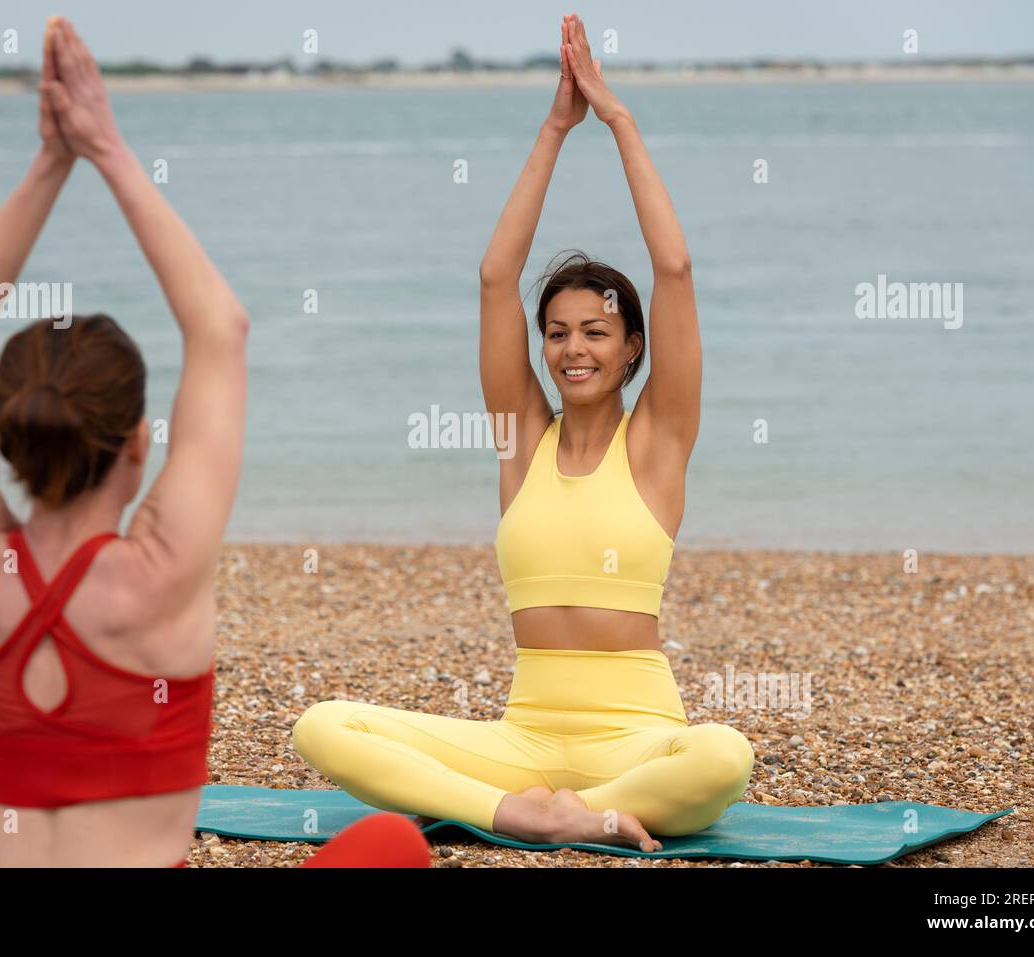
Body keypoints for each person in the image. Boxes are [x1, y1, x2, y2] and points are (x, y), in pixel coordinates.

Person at [292, 15, 755, 853]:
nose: (574, 348)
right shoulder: (521, 439)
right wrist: (553, 128)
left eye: (596, 330)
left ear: (631, 348)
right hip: (525, 740)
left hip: (639, 737)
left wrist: (618, 121)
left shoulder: (658, 442)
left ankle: (577, 809)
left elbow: (675, 271)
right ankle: (534, 815)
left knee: (724, 756)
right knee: (323, 726)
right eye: (558, 332)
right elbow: (495, 277)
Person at [0, 15, 247, 867]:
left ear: (0, 433)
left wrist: (50, 161)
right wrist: (107, 149)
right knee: (391, 845)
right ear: (140, 442)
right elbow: (220, 329)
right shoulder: (159, 572)